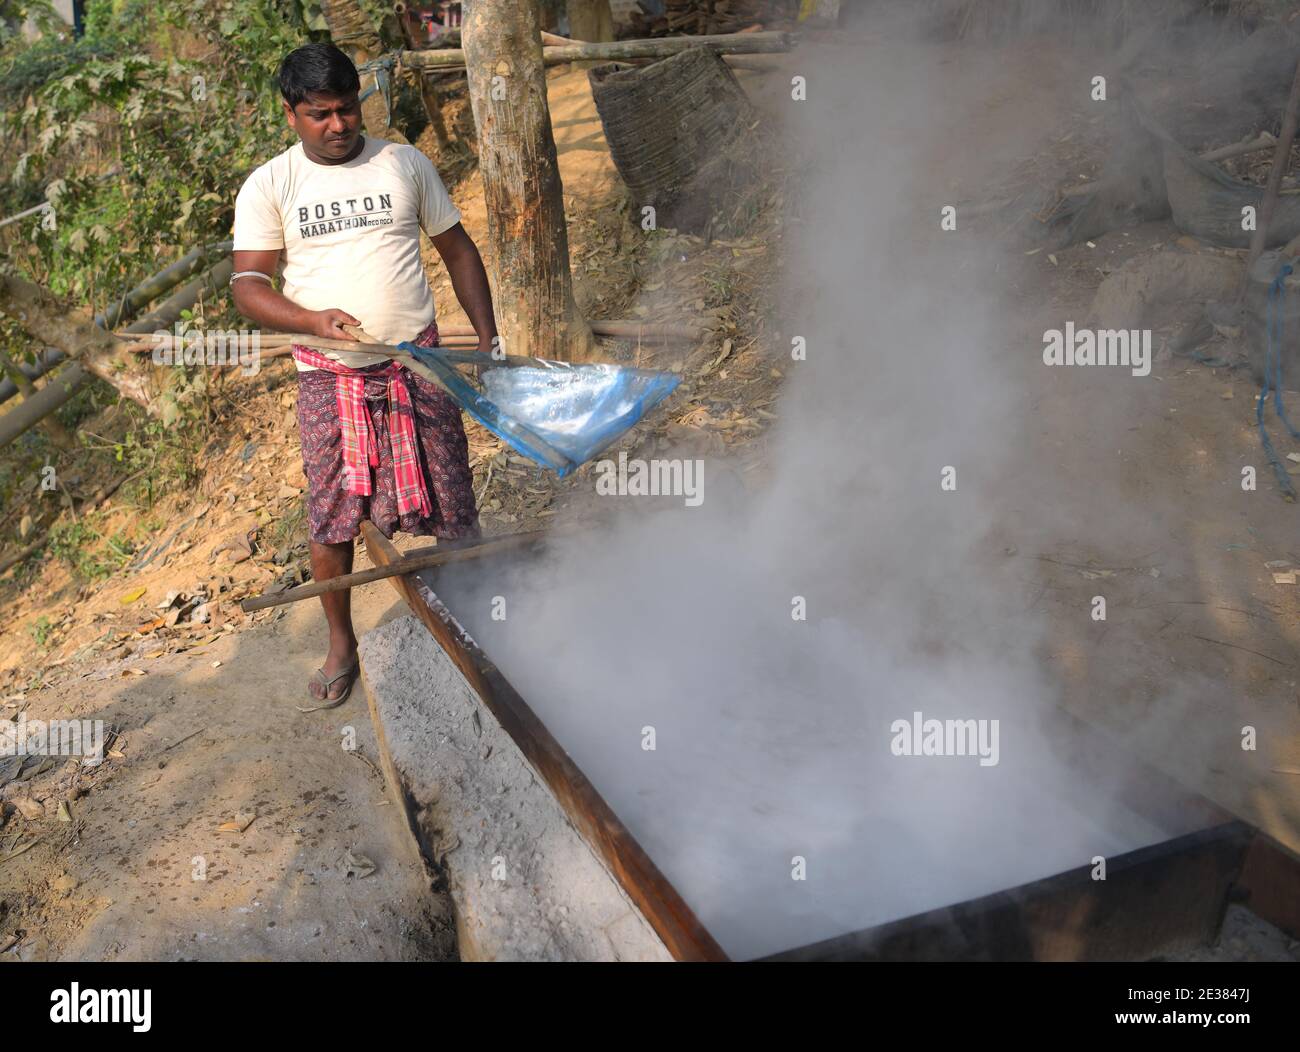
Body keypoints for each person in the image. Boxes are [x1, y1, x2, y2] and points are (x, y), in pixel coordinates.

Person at [231, 42, 497, 707]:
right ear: (290, 113)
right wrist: (311, 318)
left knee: (455, 497)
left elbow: (459, 252)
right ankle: (341, 641)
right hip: (331, 376)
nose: (339, 125)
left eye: (347, 110)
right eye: (320, 114)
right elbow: (248, 286)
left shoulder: (403, 164)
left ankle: (472, 621)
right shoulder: (272, 184)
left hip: (420, 362)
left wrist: (488, 337)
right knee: (332, 514)